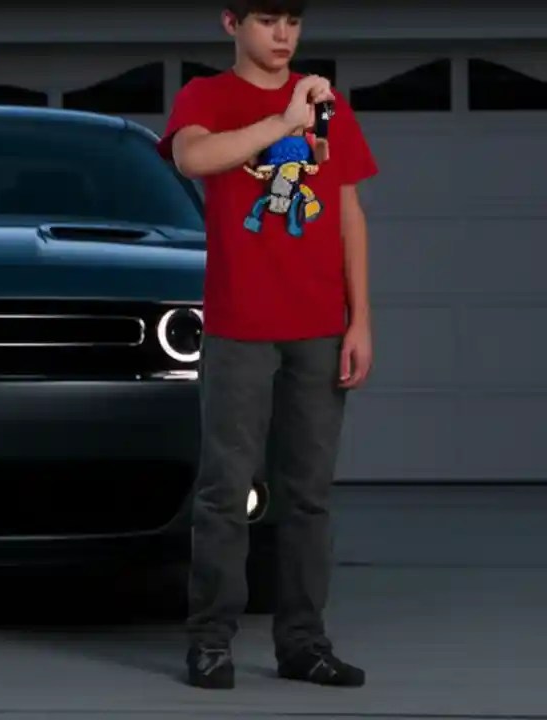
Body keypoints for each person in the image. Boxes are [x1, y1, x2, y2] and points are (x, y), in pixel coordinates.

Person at [155, 0, 378, 690]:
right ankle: (211, 642)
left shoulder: (326, 103)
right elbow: (194, 157)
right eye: (266, 21)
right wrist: (283, 121)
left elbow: (346, 210)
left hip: (317, 326)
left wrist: (360, 319)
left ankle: (303, 643)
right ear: (231, 24)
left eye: (293, 22)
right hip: (238, 328)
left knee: (308, 497)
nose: (282, 36)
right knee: (225, 492)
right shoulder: (207, 96)